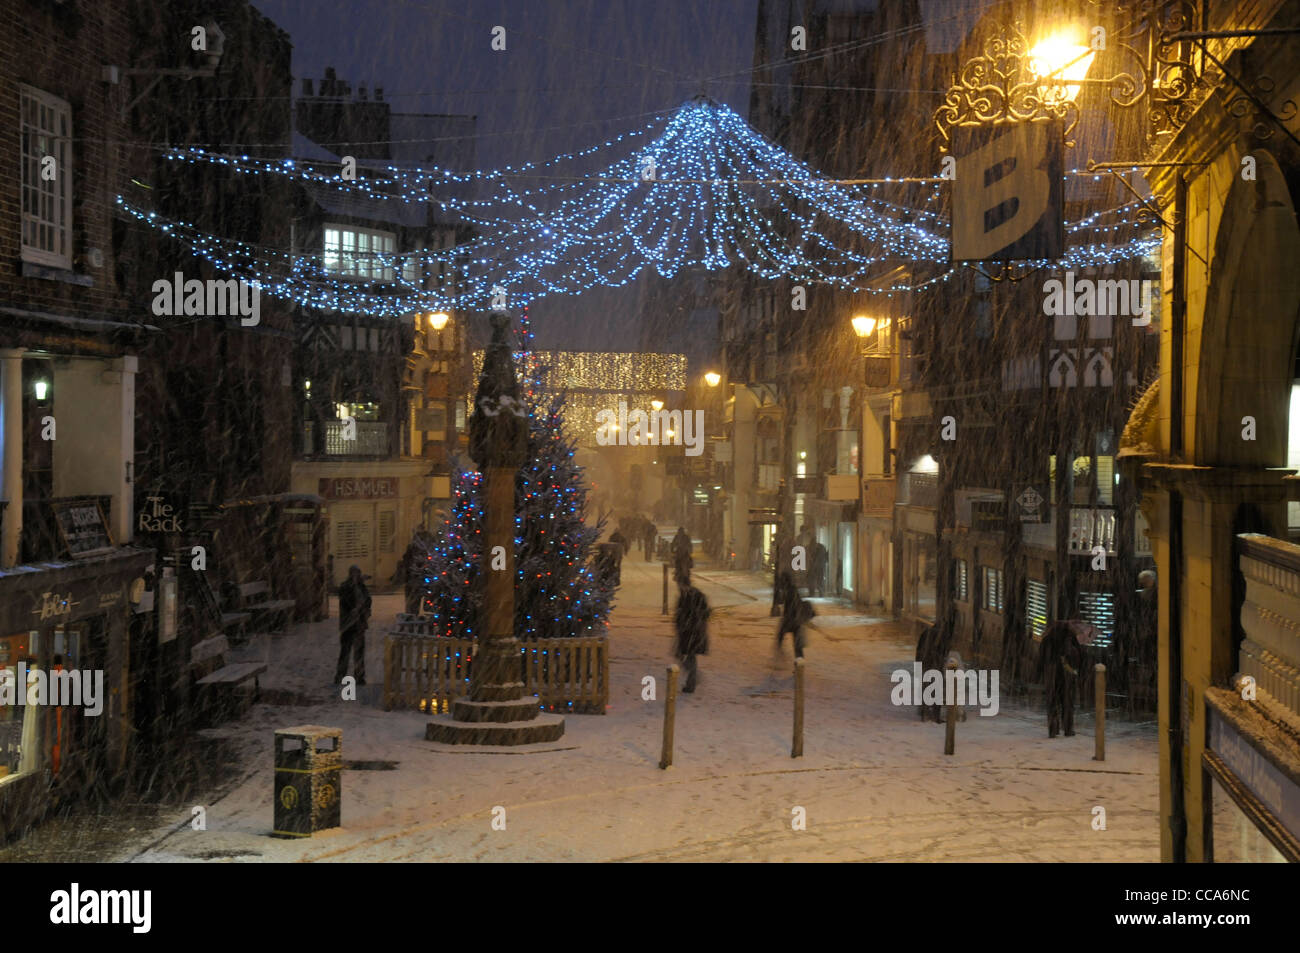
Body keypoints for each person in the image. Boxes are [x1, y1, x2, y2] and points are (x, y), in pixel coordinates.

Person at [1039, 621, 1084, 737]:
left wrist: (1040, 674)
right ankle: (1068, 729)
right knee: (1067, 702)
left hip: (1052, 673)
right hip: (1066, 673)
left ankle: (1053, 729)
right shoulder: (1070, 638)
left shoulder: (1047, 638)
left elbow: (1041, 658)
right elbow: (1079, 655)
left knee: (1052, 701)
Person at [335, 565, 372, 685]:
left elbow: (368, 600)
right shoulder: (346, 587)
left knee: (358, 651)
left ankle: (359, 676)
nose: (356, 576)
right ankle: (341, 675)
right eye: (354, 573)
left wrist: (363, 609)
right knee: (346, 651)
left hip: (358, 624)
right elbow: (347, 602)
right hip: (348, 624)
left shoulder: (361, 587)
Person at [674, 578, 711, 693]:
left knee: (686, 656)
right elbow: (707, 612)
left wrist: (683, 625)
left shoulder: (687, 597)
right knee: (688, 656)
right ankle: (693, 678)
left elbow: (681, 614)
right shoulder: (698, 596)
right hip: (695, 632)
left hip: (690, 632)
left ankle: (692, 681)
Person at [776, 570, 814, 659]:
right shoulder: (791, 589)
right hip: (795, 620)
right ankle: (799, 663)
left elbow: (787, 604)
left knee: (780, 637)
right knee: (797, 646)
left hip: (790, 620)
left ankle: (779, 657)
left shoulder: (789, 590)